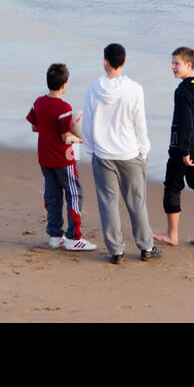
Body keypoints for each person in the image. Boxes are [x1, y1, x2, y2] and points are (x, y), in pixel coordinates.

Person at [83, 43, 162, 264]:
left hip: (103, 154)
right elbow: (140, 123)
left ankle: (116, 250)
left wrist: (90, 149)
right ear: (124, 62)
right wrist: (144, 149)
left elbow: (87, 124)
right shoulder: (135, 89)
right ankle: (146, 246)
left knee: (108, 202)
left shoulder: (93, 89)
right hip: (129, 153)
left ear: (105, 62)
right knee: (136, 201)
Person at [26, 63, 96, 251]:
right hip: (63, 159)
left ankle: (55, 235)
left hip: (45, 156)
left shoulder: (39, 102)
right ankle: (74, 236)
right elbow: (66, 137)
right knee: (74, 193)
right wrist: (81, 140)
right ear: (65, 85)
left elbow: (34, 127)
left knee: (52, 194)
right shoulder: (64, 107)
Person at [153, 46, 194, 248]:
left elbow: (186, 123)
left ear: (188, 65)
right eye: (172, 63)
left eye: (176, 64)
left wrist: (185, 150)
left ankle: (172, 235)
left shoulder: (182, 91)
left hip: (183, 148)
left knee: (172, 186)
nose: (172, 67)